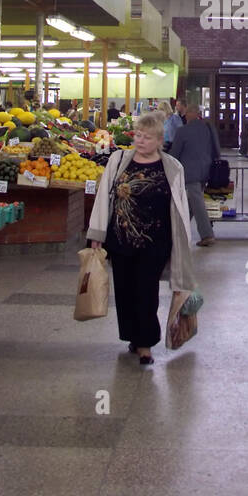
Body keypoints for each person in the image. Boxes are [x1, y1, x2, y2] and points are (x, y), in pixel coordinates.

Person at [86, 112, 198, 365]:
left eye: (147, 137)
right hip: (121, 240)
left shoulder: (172, 167)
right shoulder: (118, 160)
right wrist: (97, 233)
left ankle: (146, 343)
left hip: (155, 242)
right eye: (137, 135)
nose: (140, 141)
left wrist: (183, 244)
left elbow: (180, 206)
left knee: (146, 292)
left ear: (159, 140)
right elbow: (105, 196)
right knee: (125, 292)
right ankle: (132, 337)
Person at [166, 104, 221, 248]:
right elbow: (216, 147)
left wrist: (165, 163)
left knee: (197, 202)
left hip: (190, 171)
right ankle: (179, 233)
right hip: (206, 169)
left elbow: (175, 153)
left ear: (190, 114)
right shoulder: (207, 128)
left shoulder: (182, 131)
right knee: (191, 203)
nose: (184, 115)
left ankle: (207, 235)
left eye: (186, 113)